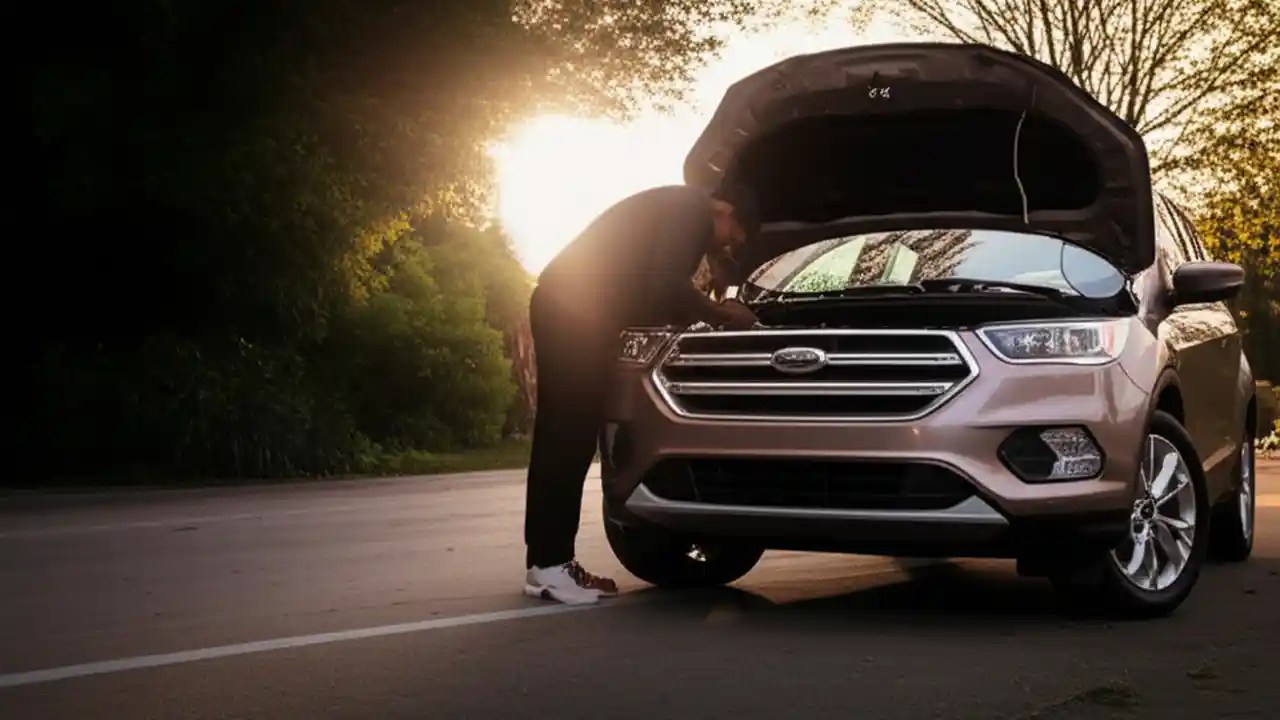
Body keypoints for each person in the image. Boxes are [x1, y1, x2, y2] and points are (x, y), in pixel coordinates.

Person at [523, 184, 761, 605]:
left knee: (561, 435)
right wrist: (724, 316)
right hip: (574, 313)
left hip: (569, 307)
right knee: (568, 437)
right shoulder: (691, 209)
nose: (728, 245)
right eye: (734, 236)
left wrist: (707, 298)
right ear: (727, 211)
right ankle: (551, 565)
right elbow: (666, 285)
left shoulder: (674, 207)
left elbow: (654, 292)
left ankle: (547, 563)